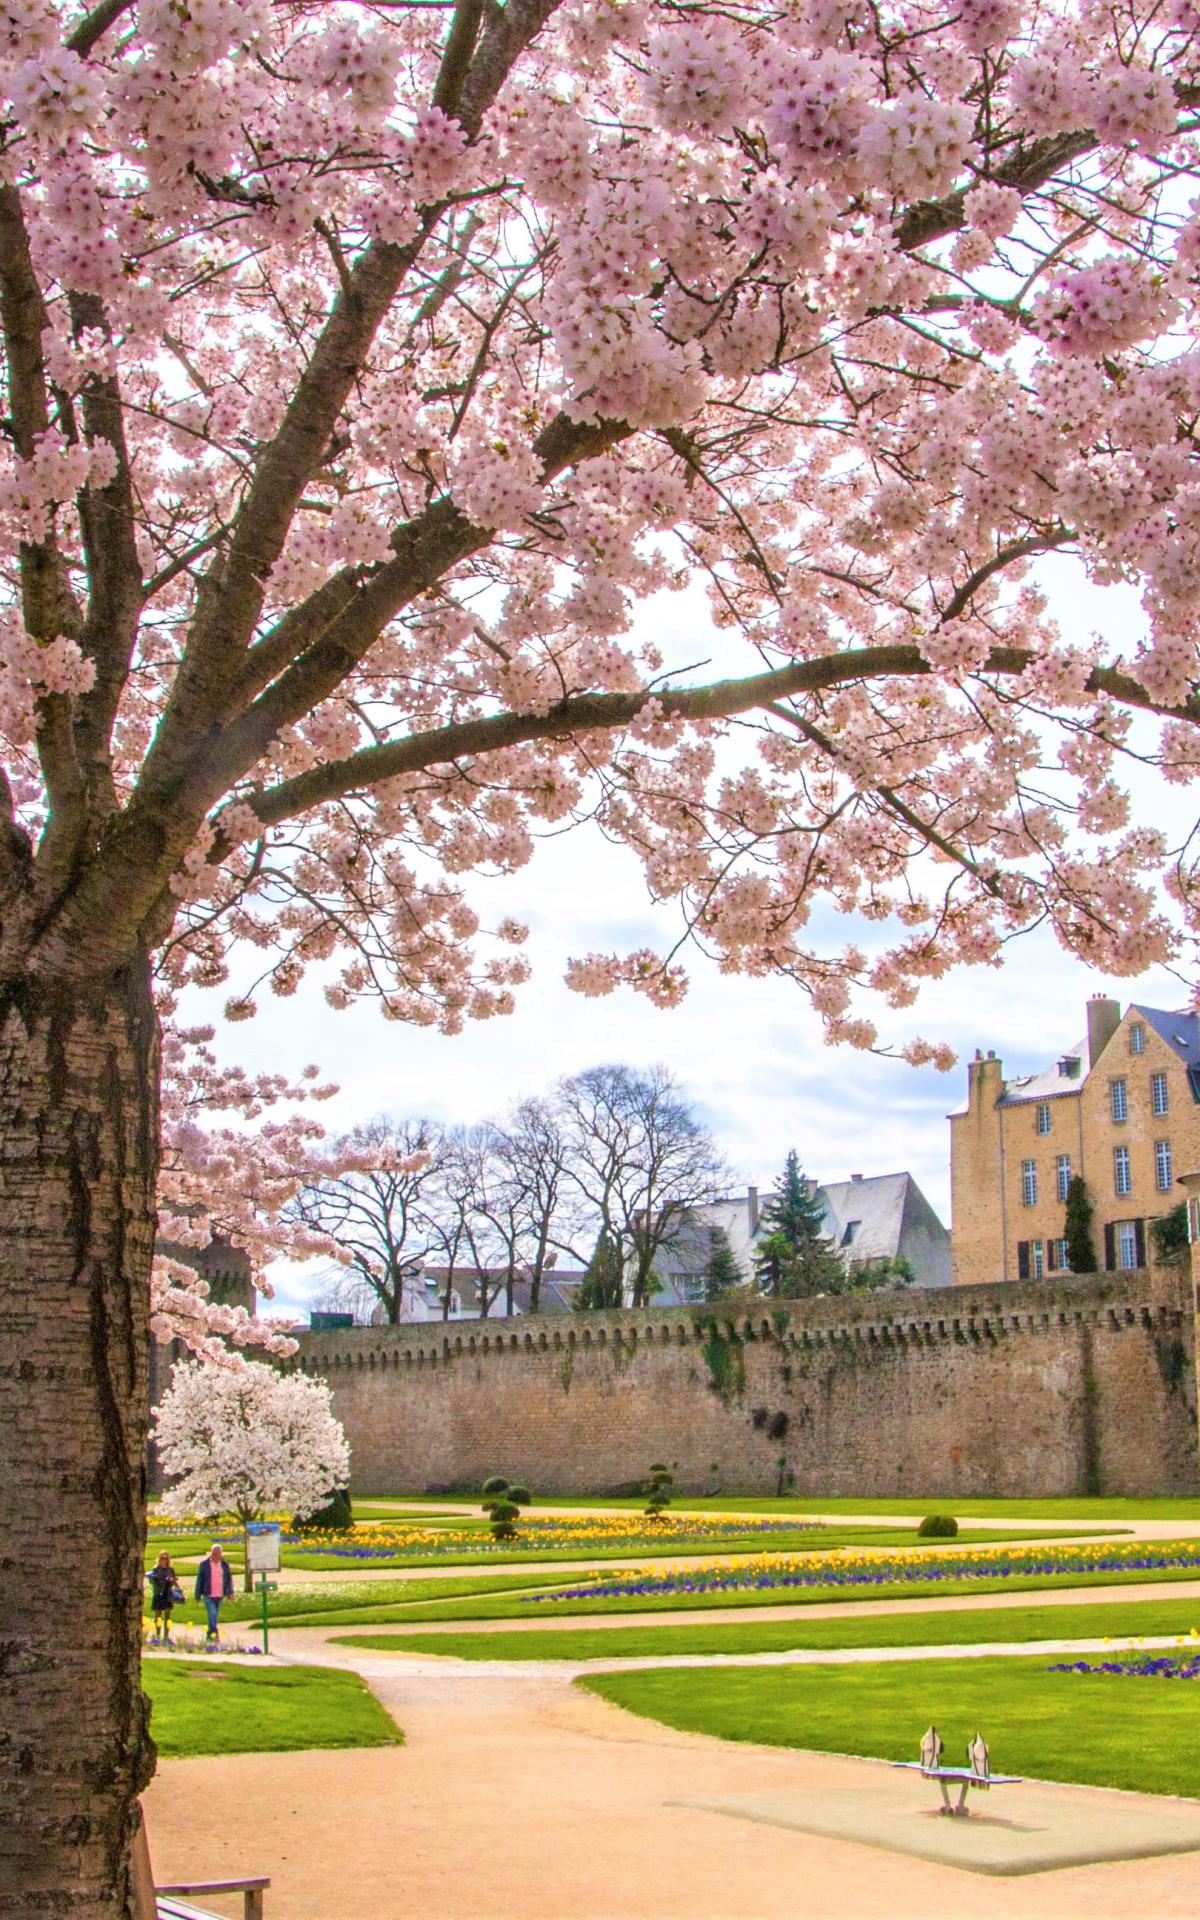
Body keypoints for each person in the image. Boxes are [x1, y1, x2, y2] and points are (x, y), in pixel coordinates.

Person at [195, 1542, 234, 1642]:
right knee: (212, 1614)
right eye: (214, 1552)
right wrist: (197, 1595)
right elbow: (200, 1580)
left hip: (219, 1594)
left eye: (218, 1552)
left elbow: (228, 1579)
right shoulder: (204, 1565)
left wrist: (230, 1592)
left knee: (214, 1616)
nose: (215, 1554)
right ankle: (215, 1634)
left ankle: (209, 1635)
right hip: (208, 1594)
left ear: (221, 1553)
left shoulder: (224, 1565)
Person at [146, 1551, 180, 1643]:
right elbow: (152, 1582)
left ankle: (166, 1636)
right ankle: (157, 1635)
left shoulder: (171, 1569)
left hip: (167, 1593)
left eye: (165, 1558)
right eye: (162, 1558)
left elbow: (174, 1581)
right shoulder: (155, 1569)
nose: (164, 1560)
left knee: (167, 1616)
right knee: (158, 1615)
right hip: (158, 1594)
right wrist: (153, 1578)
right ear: (159, 1559)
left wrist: (175, 1583)